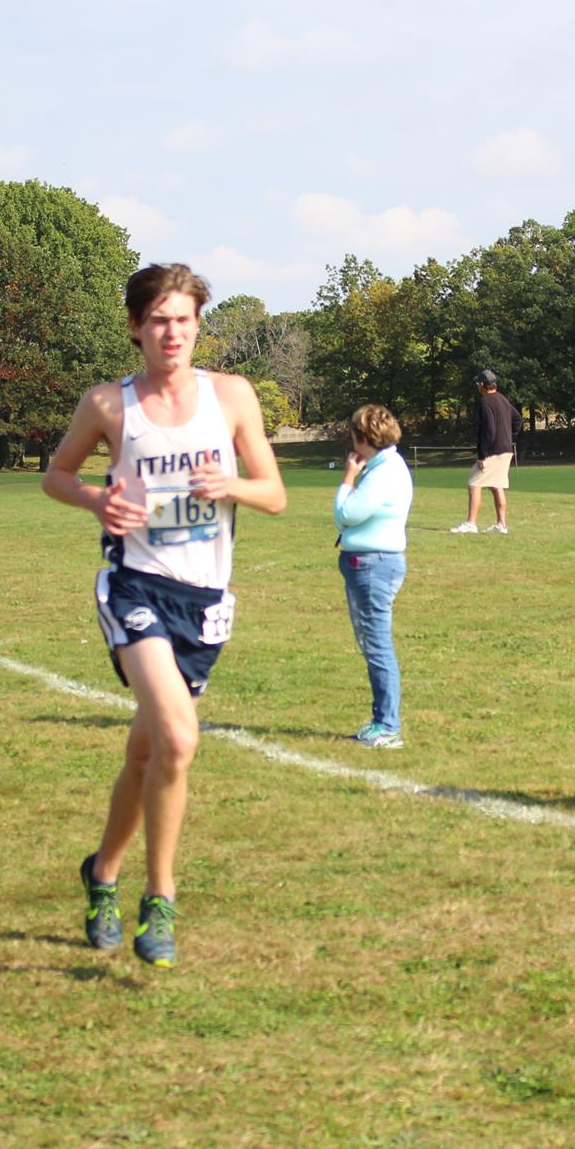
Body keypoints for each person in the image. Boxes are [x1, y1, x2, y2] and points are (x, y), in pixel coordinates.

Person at [42, 262, 285, 970]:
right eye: (157, 320)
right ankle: (161, 896)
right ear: (135, 327)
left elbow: (274, 493)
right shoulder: (109, 405)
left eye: (183, 318)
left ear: (198, 324)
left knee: (146, 752)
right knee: (178, 739)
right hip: (134, 585)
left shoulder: (232, 397)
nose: (171, 332)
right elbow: (56, 474)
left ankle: (103, 873)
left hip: (205, 600)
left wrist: (232, 483)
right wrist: (96, 500)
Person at [335, 404, 413, 748]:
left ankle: (387, 725)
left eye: (354, 435)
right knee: (374, 643)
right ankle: (383, 721)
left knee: (377, 645)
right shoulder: (386, 465)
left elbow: (347, 514)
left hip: (372, 565)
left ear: (364, 438)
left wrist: (348, 478)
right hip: (373, 562)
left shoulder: (384, 471)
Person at [451, 370, 518, 535]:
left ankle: (471, 524)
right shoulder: (503, 399)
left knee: (474, 484)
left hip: (492, 451)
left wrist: (483, 455)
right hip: (506, 449)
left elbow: (489, 429)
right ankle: (501, 525)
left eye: (478, 383)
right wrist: (508, 436)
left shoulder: (485, 401)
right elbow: (518, 420)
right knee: (497, 486)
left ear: (482, 384)